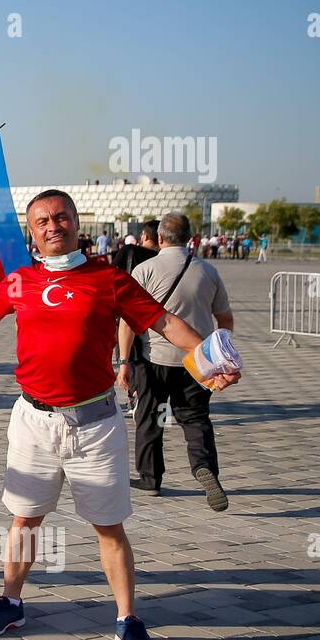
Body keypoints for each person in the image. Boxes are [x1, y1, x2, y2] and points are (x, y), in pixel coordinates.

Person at [0, 190, 238, 640]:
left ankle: (127, 618)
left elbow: (163, 322)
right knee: (24, 519)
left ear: (76, 223)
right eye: (42, 221)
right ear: (32, 231)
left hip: (95, 423)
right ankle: (11, 601)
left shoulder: (108, 278)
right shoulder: (19, 281)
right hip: (33, 423)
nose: (52, 226)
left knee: (109, 527)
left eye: (60, 217)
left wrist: (207, 359)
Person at [118, 213, 234, 511]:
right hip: (197, 362)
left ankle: (150, 478)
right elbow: (224, 318)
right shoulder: (208, 271)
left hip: (154, 358)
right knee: (196, 419)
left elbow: (129, 322)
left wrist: (123, 361)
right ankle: (203, 467)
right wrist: (219, 352)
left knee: (150, 419)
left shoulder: (145, 269)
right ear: (190, 237)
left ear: (160, 238)